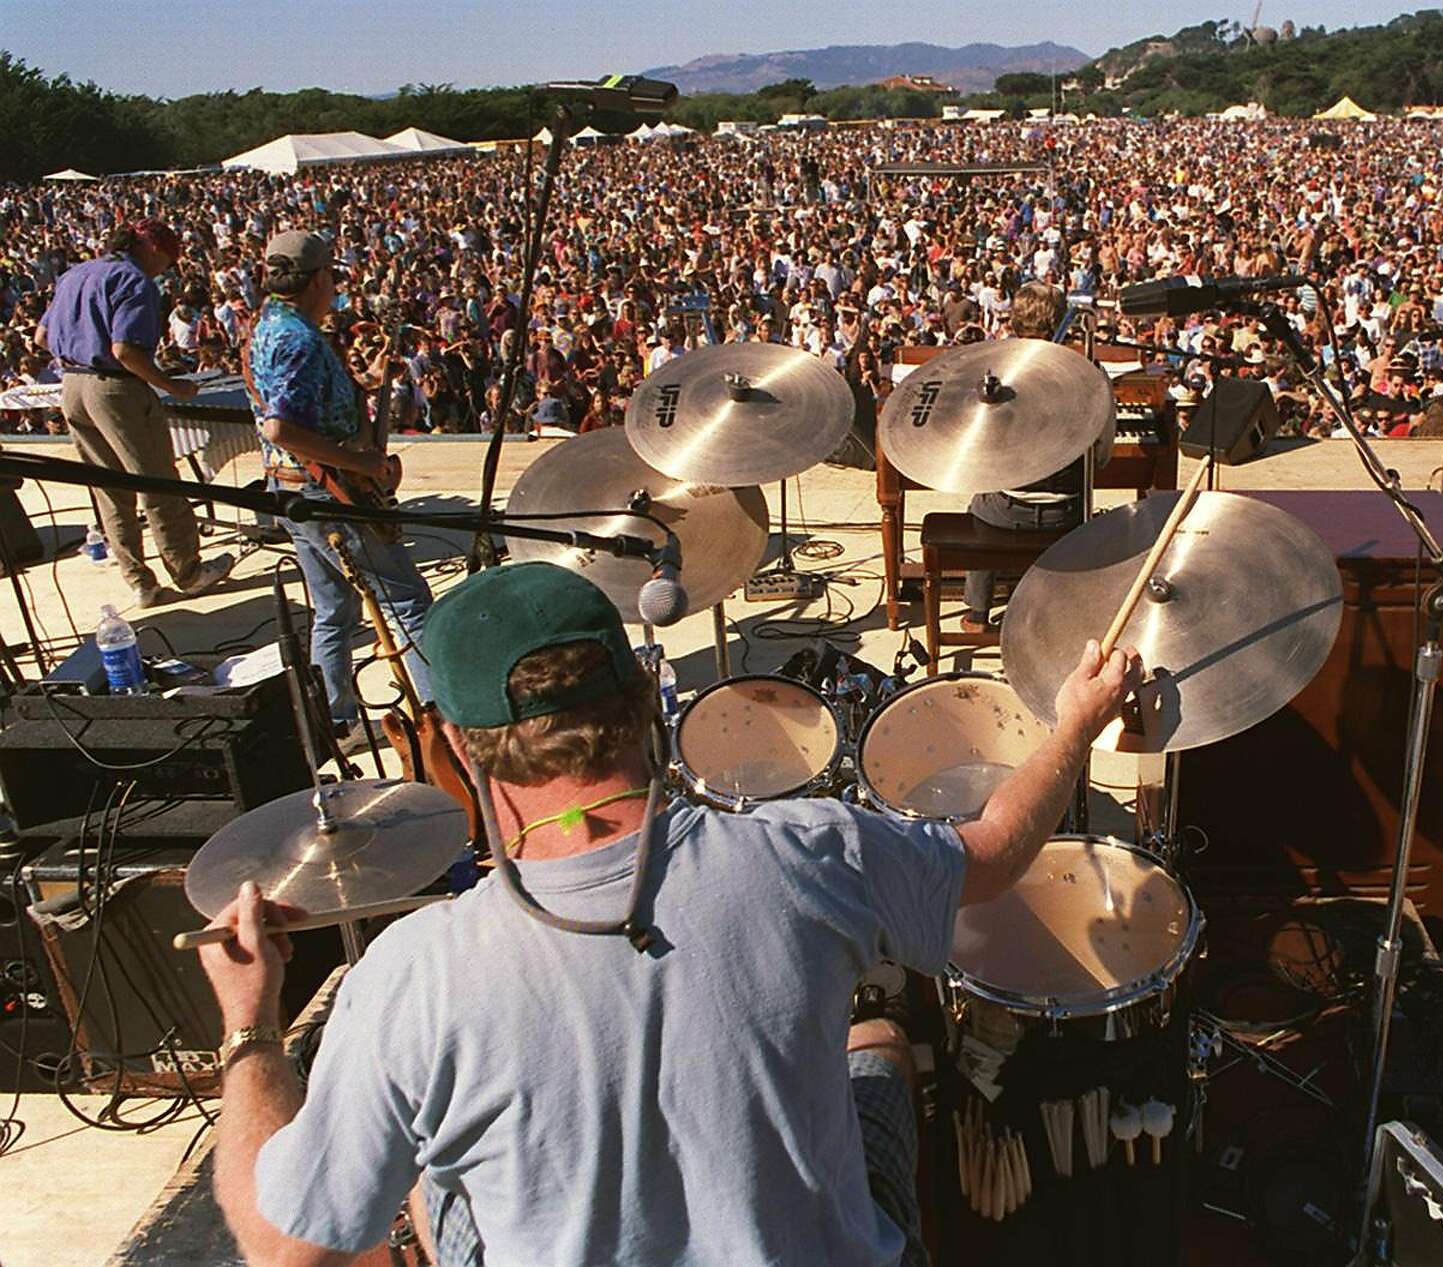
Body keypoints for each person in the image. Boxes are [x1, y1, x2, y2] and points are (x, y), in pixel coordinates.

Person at [194, 560, 1143, 1266]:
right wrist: (1075, 722)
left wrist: (250, 1026)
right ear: (648, 698)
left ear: (455, 745)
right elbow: (993, 852)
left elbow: (288, 1247)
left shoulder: (411, 976)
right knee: (880, 1044)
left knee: (424, 1179)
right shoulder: (810, 852)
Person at [245, 230, 436, 749]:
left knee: (333, 610)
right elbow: (281, 427)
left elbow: (306, 403)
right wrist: (361, 462)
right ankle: (442, 725)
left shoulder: (271, 322)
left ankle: (336, 720)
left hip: (290, 490)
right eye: (332, 276)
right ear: (317, 279)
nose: (335, 287)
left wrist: (365, 382)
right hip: (327, 493)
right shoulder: (299, 340)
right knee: (407, 603)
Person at [36, 219, 233, 608]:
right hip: (115, 389)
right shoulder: (134, 281)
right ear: (154, 249)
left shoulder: (75, 274)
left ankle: (139, 582)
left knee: (109, 487)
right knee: (157, 481)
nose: (164, 271)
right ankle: (188, 571)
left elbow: (42, 337)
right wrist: (171, 386)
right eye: (168, 261)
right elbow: (125, 350)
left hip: (71, 386)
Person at [960, 281, 1113, 632]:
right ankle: (1059, 605)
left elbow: (980, 451)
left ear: (1014, 322)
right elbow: (1103, 451)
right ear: (1062, 320)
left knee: (976, 506)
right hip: (1069, 509)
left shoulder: (999, 371)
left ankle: (978, 612)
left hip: (1007, 508)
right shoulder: (1090, 368)